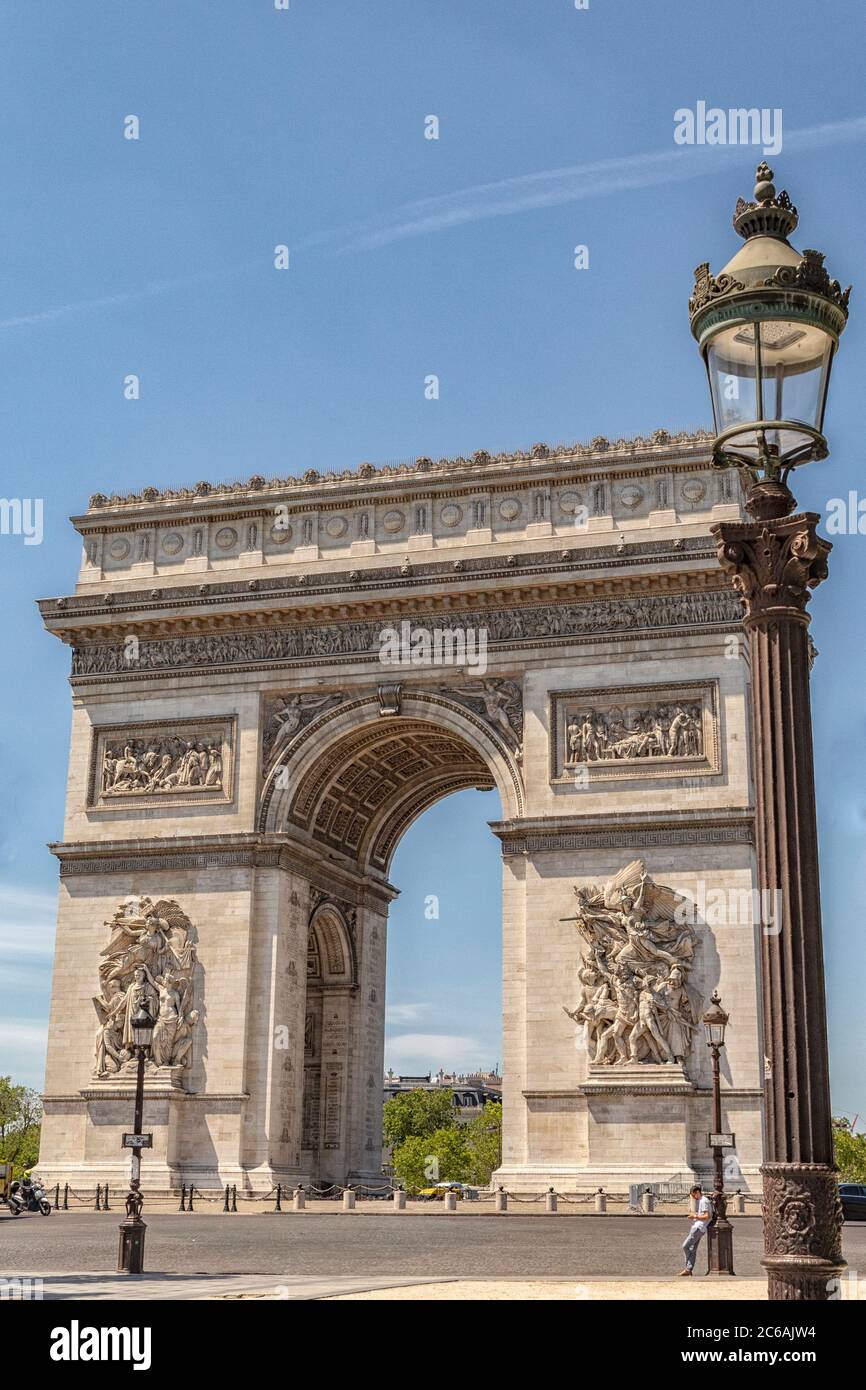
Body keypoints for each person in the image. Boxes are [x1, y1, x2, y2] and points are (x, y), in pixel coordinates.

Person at [679, 1184, 713, 1275]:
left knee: (685, 1246)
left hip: (698, 1228)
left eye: (693, 1195)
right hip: (699, 1227)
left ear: (698, 1192)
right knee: (692, 1249)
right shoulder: (702, 1201)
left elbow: (707, 1216)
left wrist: (695, 1216)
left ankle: (688, 1267)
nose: (693, 1197)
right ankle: (688, 1269)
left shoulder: (703, 1201)